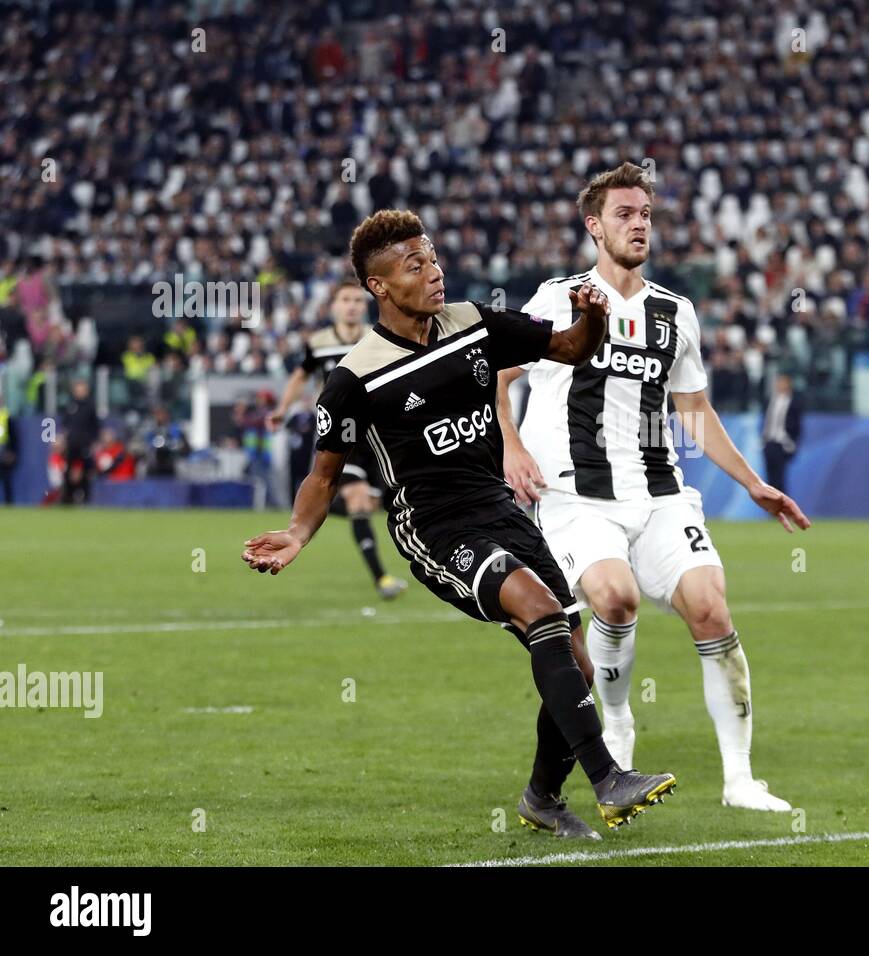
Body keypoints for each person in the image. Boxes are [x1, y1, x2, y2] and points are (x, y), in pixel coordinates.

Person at [243, 210, 675, 838]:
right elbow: (324, 473)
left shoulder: (474, 323)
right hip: (433, 526)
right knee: (543, 613)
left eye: (434, 258)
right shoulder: (353, 377)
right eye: (414, 266)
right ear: (380, 286)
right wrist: (297, 532)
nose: (434, 272)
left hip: (500, 509)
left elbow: (569, 348)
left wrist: (593, 319)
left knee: (576, 667)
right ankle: (609, 777)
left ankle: (542, 800)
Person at [497, 163, 810, 812]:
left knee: (711, 608)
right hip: (575, 496)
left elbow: (694, 410)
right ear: (594, 226)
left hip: (660, 492)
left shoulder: (675, 313)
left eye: (646, 214)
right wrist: (511, 444)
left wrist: (754, 483)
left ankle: (739, 780)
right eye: (624, 214)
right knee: (613, 598)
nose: (639, 224)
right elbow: (500, 374)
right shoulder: (557, 299)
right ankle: (616, 720)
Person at [268, 279, 407, 600]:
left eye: (358, 300)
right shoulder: (318, 343)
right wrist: (282, 408)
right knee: (359, 499)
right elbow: (302, 374)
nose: (353, 305)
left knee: (379, 504)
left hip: (382, 437)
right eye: (346, 299)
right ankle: (382, 579)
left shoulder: (381, 337)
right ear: (333, 307)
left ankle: (321, 509)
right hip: (342, 438)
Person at [761, 372, 803, 492]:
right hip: (769, 442)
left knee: (780, 478)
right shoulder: (769, 401)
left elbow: (797, 426)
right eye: (778, 382)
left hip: (783, 444)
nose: (780, 385)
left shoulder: (794, 403)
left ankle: (781, 506)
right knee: (769, 479)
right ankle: (772, 507)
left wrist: (792, 443)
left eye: (783, 382)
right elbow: (766, 420)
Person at [61, 378, 99, 504]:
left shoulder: (90, 407)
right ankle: (68, 498)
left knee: (85, 471)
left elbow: (95, 427)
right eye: (78, 390)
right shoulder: (70, 406)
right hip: (71, 444)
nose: (80, 392)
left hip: (85, 444)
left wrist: (94, 442)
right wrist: (62, 440)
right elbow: (65, 425)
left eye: (82, 390)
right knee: (68, 471)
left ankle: (85, 498)